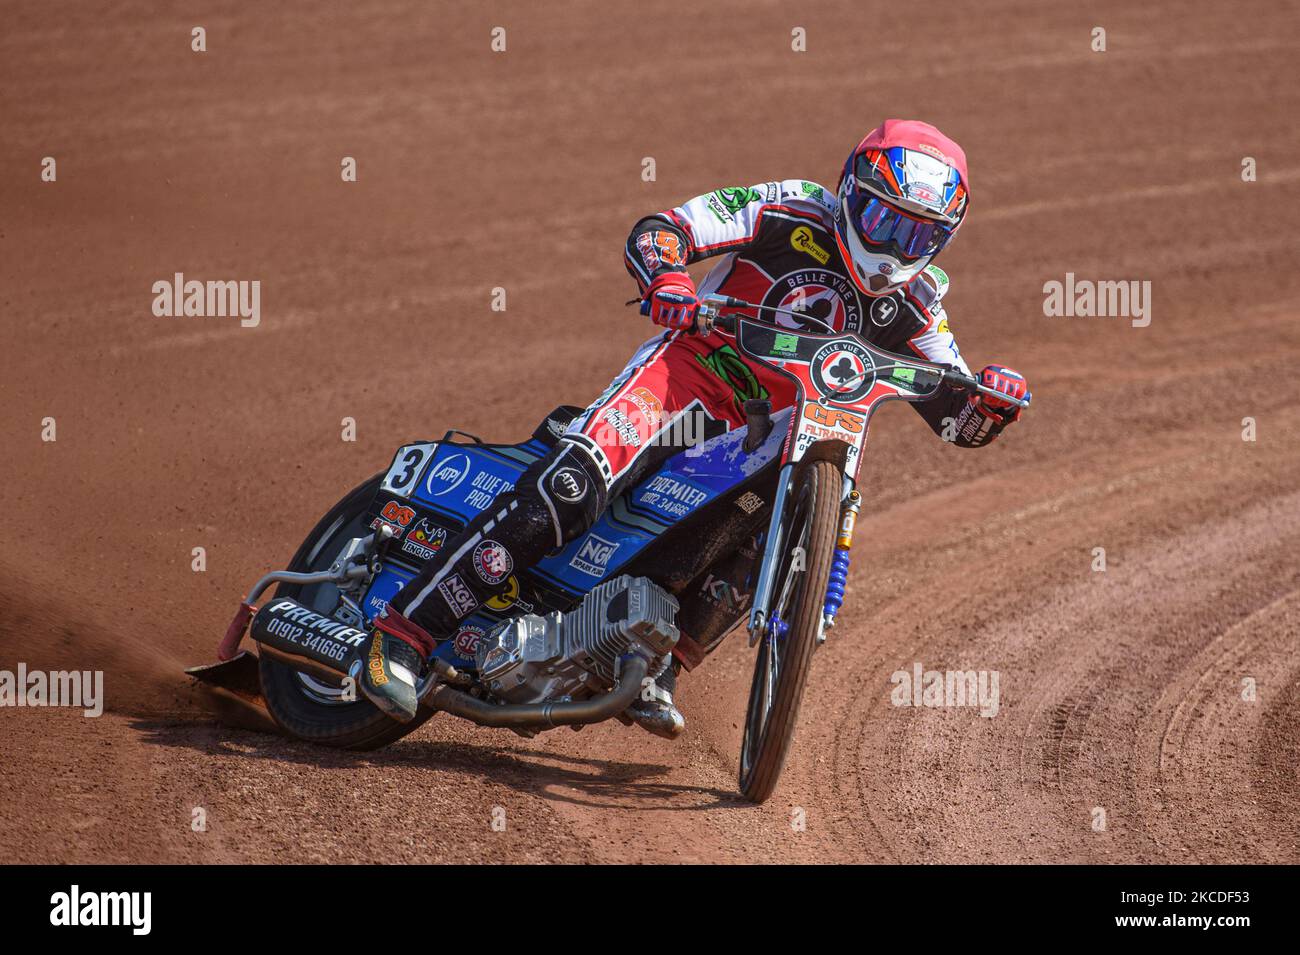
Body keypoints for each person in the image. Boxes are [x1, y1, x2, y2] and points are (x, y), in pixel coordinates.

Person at [358, 119, 1029, 732]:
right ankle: (404, 630)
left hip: (769, 432)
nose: (894, 245)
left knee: (775, 516)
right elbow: (664, 229)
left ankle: (660, 662)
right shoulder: (791, 207)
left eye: (917, 233)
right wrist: (669, 280)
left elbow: (957, 417)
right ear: (850, 190)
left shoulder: (920, 304)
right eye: (883, 218)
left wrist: (992, 400)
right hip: (689, 378)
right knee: (572, 488)